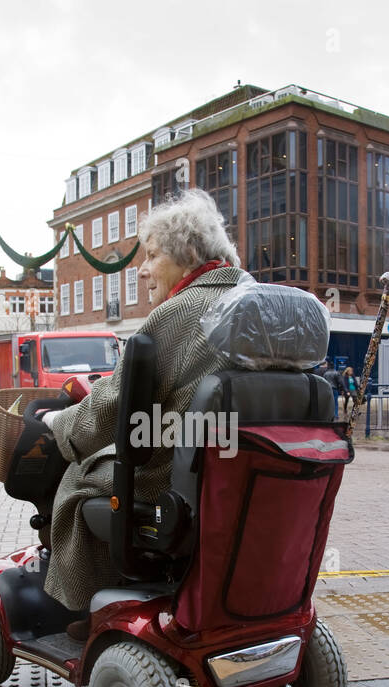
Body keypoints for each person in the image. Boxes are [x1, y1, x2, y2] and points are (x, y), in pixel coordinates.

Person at [37, 189, 246, 612]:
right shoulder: (247, 300)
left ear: (187, 251)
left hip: (171, 478)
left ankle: (78, 604)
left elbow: (110, 407)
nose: (143, 272)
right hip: (234, 469)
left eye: (152, 257)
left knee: (75, 478)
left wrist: (59, 424)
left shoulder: (180, 311)